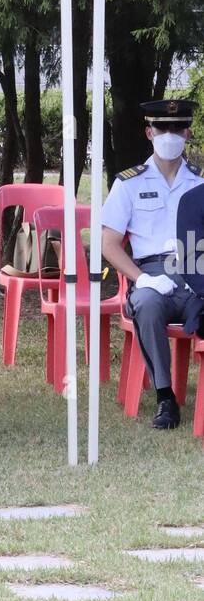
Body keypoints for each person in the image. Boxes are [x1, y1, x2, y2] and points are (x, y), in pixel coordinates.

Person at [102, 98, 203, 430]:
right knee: (146, 304)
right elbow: (109, 244)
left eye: (177, 128)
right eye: (163, 128)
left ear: (187, 133)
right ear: (149, 132)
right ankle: (165, 398)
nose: (170, 134)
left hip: (196, 272)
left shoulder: (201, 183)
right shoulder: (130, 183)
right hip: (150, 275)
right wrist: (141, 278)